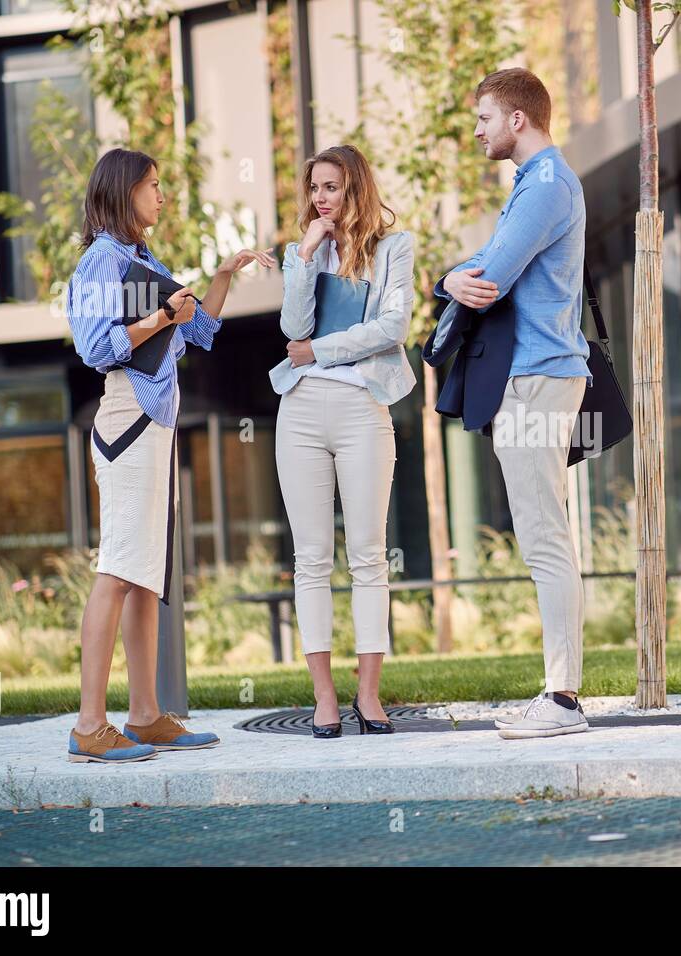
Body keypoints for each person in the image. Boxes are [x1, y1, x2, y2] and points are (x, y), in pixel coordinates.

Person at [65, 147, 275, 763]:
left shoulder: (141, 259)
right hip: (128, 419)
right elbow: (95, 347)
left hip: (155, 424)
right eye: (152, 185)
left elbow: (200, 333)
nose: (162, 195)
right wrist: (160, 316)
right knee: (118, 569)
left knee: (144, 577)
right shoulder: (102, 260)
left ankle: (146, 716)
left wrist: (220, 277)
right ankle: (88, 727)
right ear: (123, 190)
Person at [434, 69, 593, 739]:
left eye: (484, 118)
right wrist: (452, 276)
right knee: (543, 536)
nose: (477, 131)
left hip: (535, 378)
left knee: (544, 539)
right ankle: (559, 694)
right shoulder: (538, 186)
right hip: (533, 376)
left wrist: (450, 276)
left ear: (518, 120)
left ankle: (561, 701)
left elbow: (489, 279)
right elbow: (487, 265)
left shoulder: (547, 186)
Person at [270, 145, 417, 738]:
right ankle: (324, 698)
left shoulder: (393, 247)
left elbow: (393, 326)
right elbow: (291, 330)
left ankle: (370, 695)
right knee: (310, 560)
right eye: (314, 188)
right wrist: (303, 259)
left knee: (367, 556)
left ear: (355, 187)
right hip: (301, 410)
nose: (320, 198)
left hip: (362, 406)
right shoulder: (301, 251)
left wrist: (321, 352)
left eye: (331, 187)